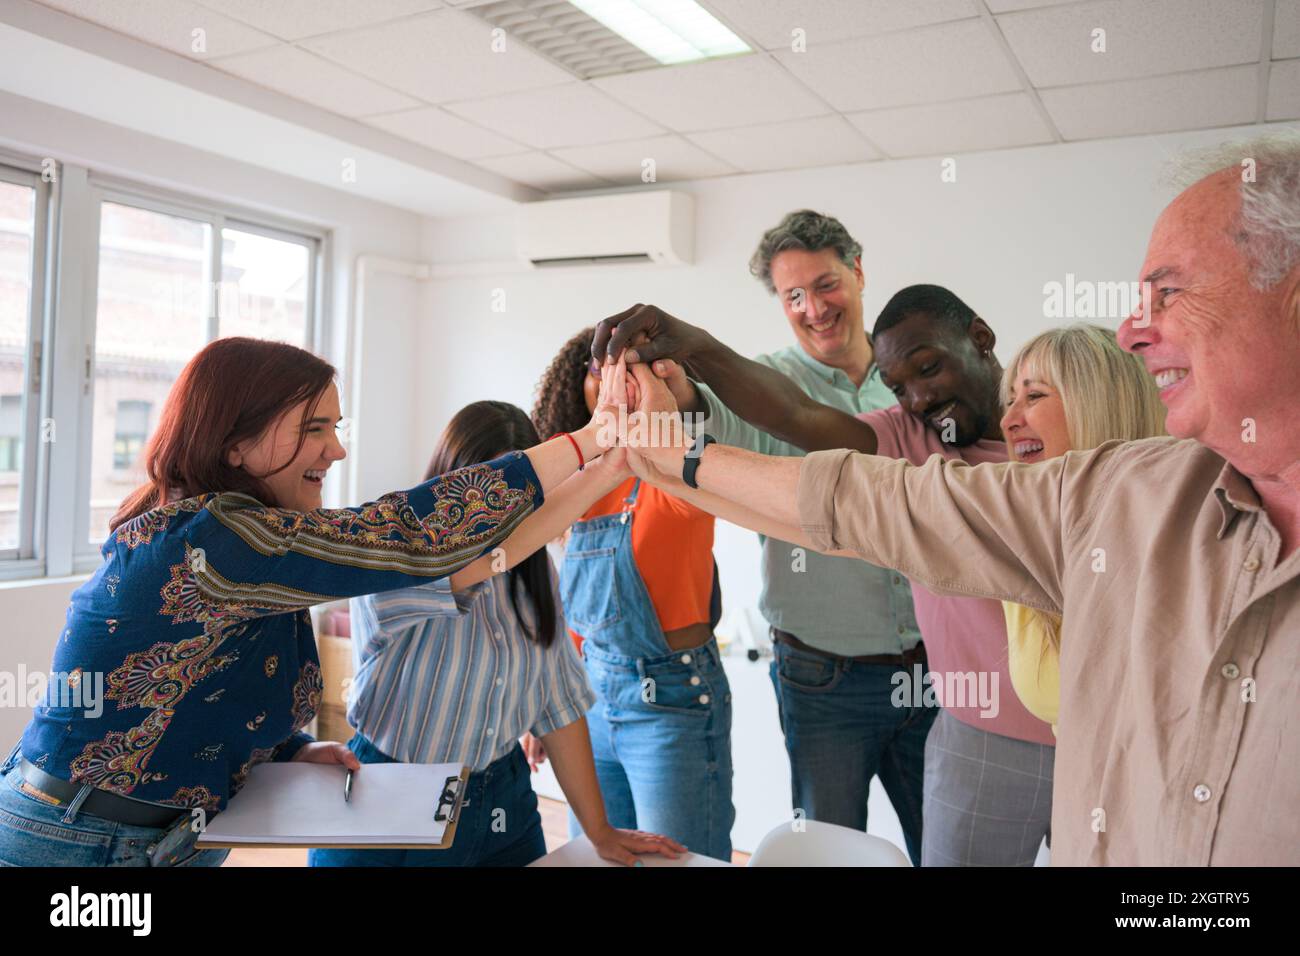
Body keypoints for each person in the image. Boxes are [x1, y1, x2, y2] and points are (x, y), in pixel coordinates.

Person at [609, 133, 1300, 865]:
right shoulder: (932, 439)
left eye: (1170, 293)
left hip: (1000, 713)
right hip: (898, 701)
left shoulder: (1107, 480)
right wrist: (668, 448)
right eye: (792, 296)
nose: (1136, 330)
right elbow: (848, 489)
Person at [0, 336, 628, 867]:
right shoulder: (213, 542)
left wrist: (291, 747)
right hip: (78, 837)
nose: (337, 449)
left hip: (162, 833)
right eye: (313, 429)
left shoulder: (259, 546)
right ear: (234, 446)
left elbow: (209, 691)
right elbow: (415, 532)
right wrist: (592, 442)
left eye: (335, 427)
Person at [597, 286, 1059, 866]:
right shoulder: (904, 437)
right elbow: (794, 417)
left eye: (930, 368)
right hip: (973, 730)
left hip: (1085, 729)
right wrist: (695, 351)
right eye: (899, 386)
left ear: (981, 339)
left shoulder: (1058, 431)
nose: (918, 397)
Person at [309, 401, 683, 867]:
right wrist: (609, 463)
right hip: (393, 790)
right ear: (448, 485)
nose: (499, 512)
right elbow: (476, 562)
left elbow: (559, 704)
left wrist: (599, 831)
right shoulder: (398, 556)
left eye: (517, 494)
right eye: (488, 493)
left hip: (501, 792)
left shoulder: (537, 574)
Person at [532, 329, 734, 861]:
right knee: (599, 855)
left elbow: (696, 432)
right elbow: (579, 612)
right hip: (590, 696)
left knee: (678, 858)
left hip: (671, 703)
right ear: (578, 384)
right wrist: (549, 705)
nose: (614, 383)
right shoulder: (579, 483)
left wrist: (665, 404)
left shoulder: (677, 473)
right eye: (601, 370)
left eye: (631, 371)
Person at [997, 325, 1166, 732]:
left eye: (1034, 396)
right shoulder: (1018, 536)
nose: (1008, 421)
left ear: (1100, 405)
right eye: (1008, 401)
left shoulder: (1180, 537)